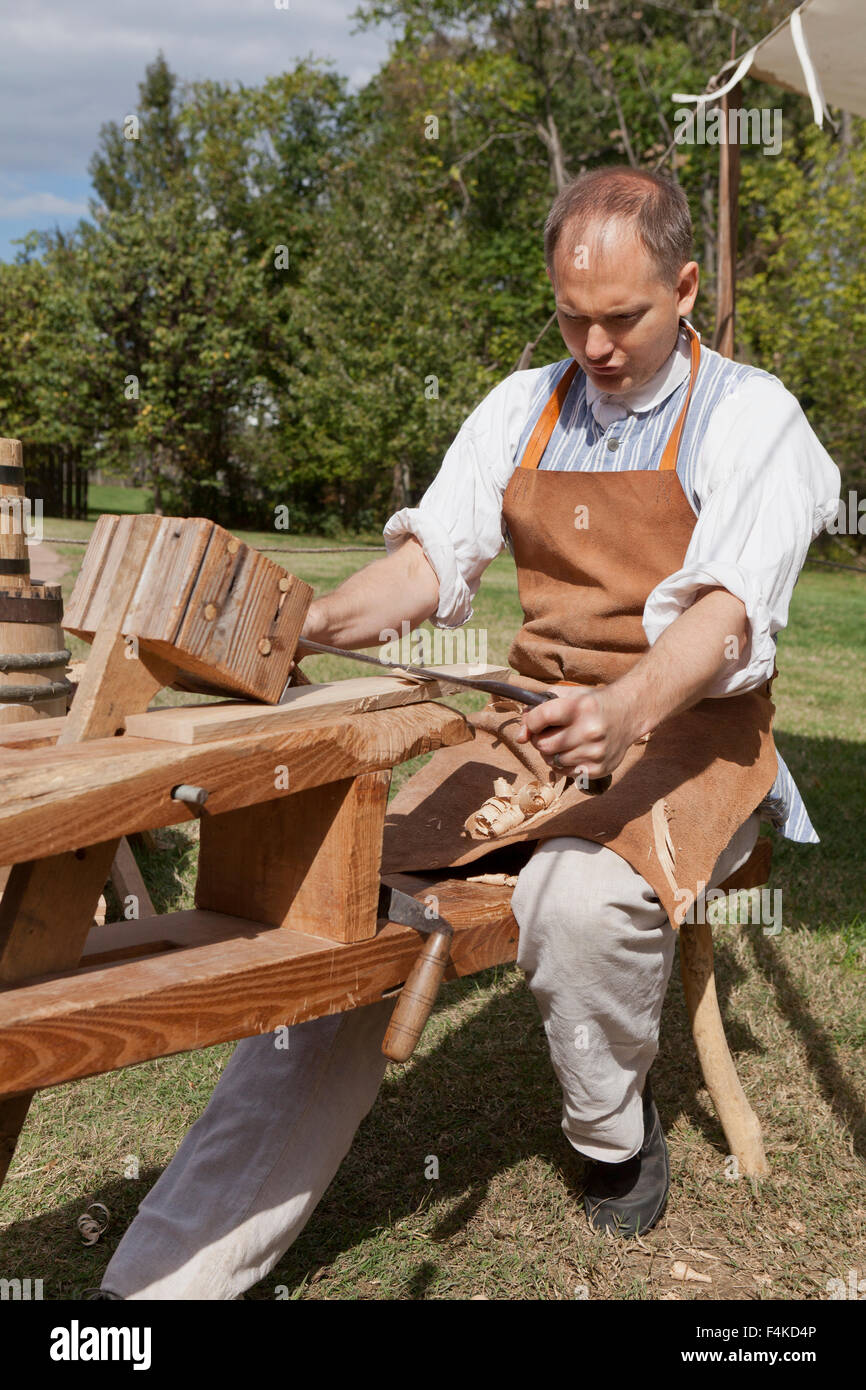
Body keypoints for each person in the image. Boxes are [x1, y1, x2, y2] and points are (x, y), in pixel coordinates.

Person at [95, 165, 840, 1300]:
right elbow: (429, 560)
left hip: (693, 732)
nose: (591, 345)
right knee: (335, 914)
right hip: (531, 725)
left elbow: (725, 618)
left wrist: (624, 710)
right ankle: (157, 1294)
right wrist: (303, 624)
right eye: (569, 316)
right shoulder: (521, 402)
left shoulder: (749, 415)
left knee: (573, 898)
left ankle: (608, 1134)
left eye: (622, 319)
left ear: (685, 288)